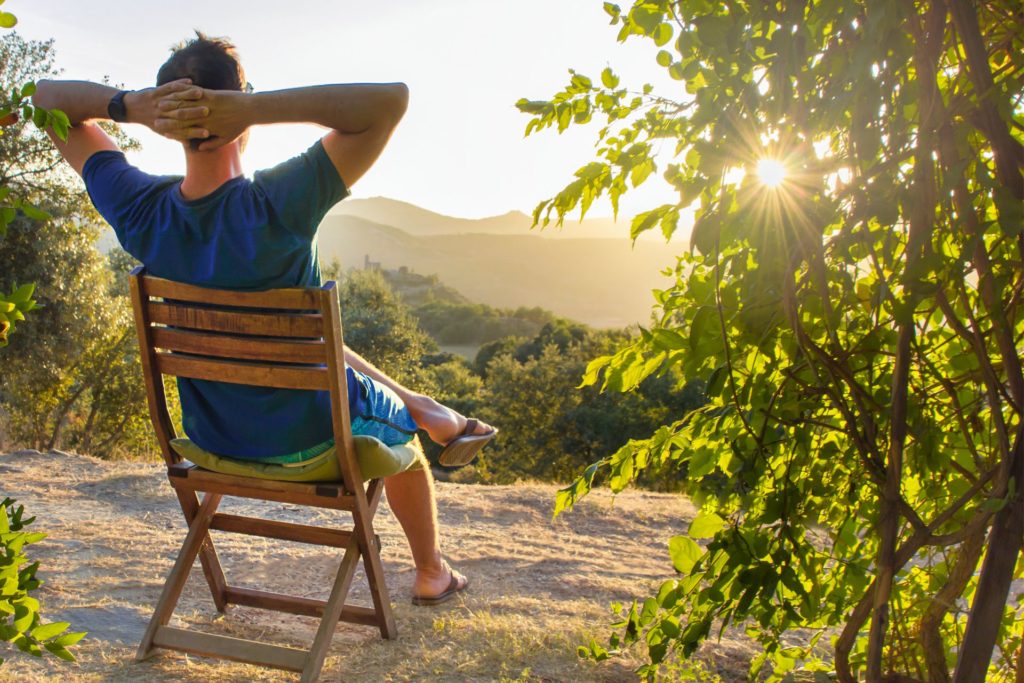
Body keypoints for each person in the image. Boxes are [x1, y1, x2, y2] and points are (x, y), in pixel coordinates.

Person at [34, 32, 496, 606]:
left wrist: (131, 108)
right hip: (311, 442)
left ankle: (426, 408)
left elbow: (46, 100)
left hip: (212, 441)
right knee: (399, 436)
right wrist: (251, 108)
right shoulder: (279, 202)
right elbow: (390, 101)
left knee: (308, 339)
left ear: (168, 123)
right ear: (239, 108)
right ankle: (431, 571)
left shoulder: (136, 207)